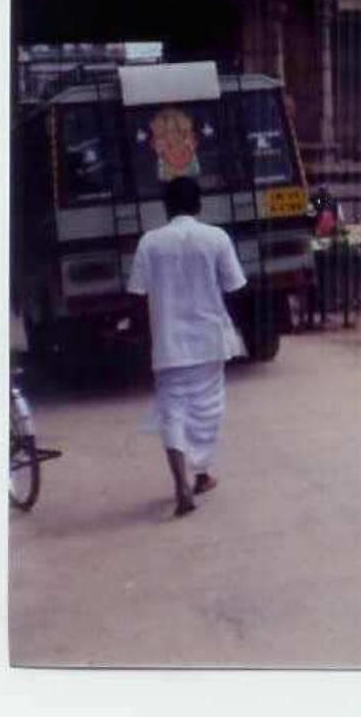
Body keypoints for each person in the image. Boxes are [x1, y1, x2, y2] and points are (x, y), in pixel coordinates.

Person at [127, 177, 248, 518]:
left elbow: (136, 295)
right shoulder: (216, 238)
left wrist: (142, 336)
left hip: (168, 344)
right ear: (198, 205)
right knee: (207, 411)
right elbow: (235, 287)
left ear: (166, 207)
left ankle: (183, 481)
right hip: (210, 341)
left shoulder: (149, 243)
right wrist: (233, 329)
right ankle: (202, 473)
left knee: (173, 411)